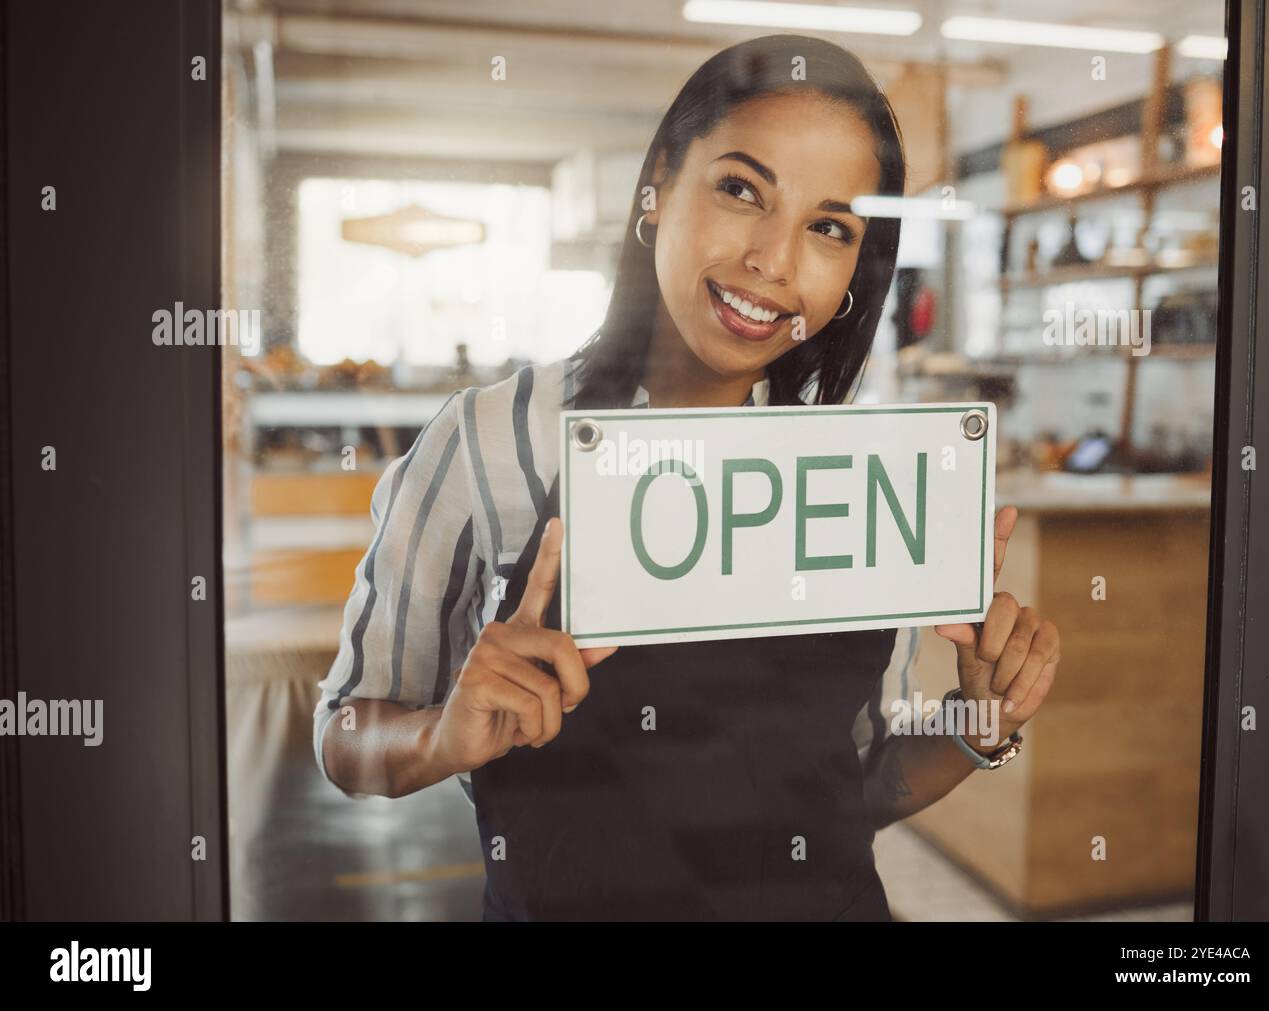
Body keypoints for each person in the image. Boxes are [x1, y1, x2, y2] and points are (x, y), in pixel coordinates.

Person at [313, 34, 1061, 921]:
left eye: (829, 228)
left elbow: (854, 788)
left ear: (854, 272)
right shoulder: (488, 439)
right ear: (659, 184)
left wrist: (978, 721)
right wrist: (441, 735)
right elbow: (345, 732)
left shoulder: (855, 478)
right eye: (743, 189)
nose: (774, 263)